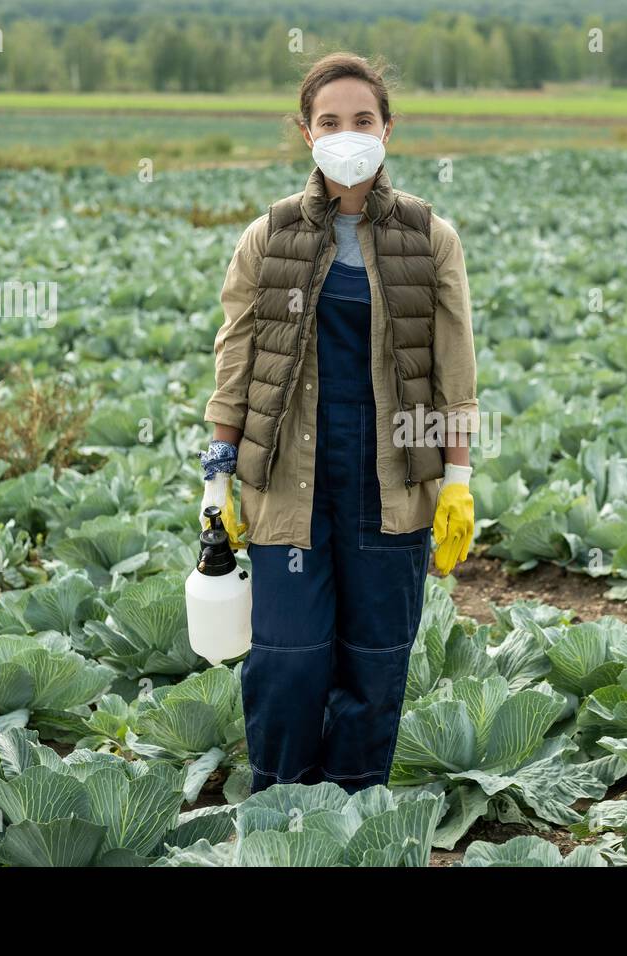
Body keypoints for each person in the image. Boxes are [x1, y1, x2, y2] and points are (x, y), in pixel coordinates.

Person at [197, 52, 480, 796]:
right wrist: (214, 484)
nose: (346, 134)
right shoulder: (269, 237)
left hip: (392, 485)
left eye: (362, 120)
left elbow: (455, 378)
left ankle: (353, 815)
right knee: (288, 656)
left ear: (389, 129)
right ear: (305, 132)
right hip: (288, 482)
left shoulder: (429, 238)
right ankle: (282, 810)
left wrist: (457, 483)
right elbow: (235, 371)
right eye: (330, 122)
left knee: (376, 657)